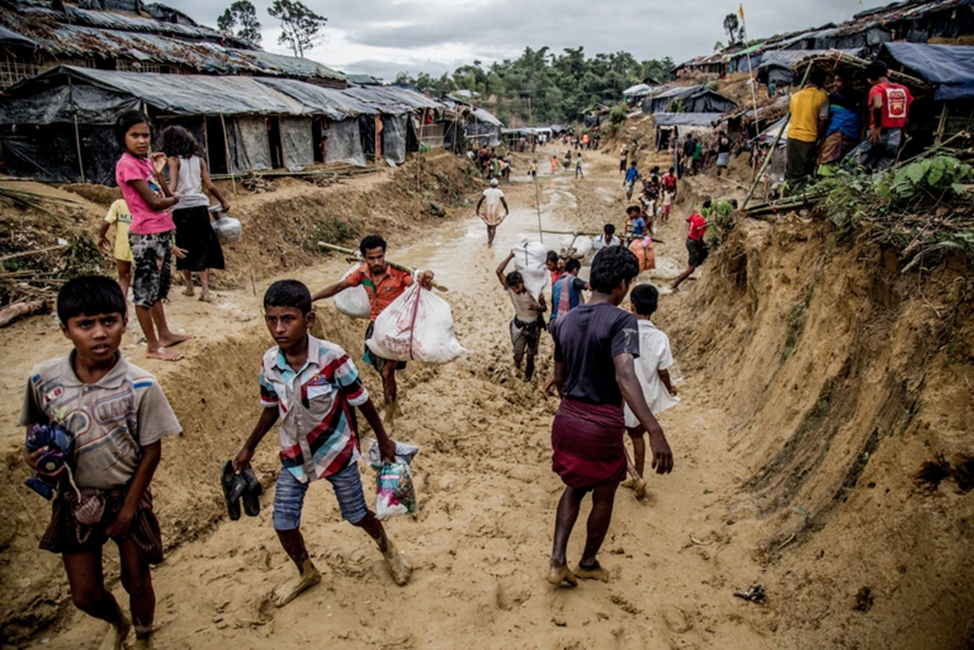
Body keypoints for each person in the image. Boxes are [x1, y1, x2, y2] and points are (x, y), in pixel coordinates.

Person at [21, 276, 181, 650]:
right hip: (75, 499)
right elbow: (34, 436)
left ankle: (143, 637)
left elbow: (150, 452)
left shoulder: (142, 385)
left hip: (127, 494)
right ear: (65, 330)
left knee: (137, 580)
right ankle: (117, 621)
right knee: (85, 595)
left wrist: (127, 511)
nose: (99, 334)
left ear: (125, 322)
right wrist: (36, 457)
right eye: (85, 324)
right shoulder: (42, 380)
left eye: (109, 321)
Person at [233, 280, 411, 608]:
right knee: (283, 523)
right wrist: (249, 447)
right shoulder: (269, 362)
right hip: (295, 456)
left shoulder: (332, 358)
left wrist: (384, 439)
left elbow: (362, 401)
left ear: (309, 319)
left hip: (336, 452)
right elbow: (271, 408)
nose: (279, 328)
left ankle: (388, 550)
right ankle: (306, 571)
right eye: (271, 320)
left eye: (288, 319)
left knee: (357, 514)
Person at [547, 246, 673, 587]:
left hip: (567, 419)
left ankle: (557, 560)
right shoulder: (622, 320)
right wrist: (654, 429)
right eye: (628, 282)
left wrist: (574, 406)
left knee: (573, 488)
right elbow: (625, 375)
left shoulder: (564, 322)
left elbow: (559, 379)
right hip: (601, 423)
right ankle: (587, 560)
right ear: (621, 283)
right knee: (604, 494)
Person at [311, 235, 434, 408]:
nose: (377, 262)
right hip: (376, 326)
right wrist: (312, 298)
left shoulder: (399, 273)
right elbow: (339, 287)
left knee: (386, 372)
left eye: (380, 257)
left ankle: (391, 410)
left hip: (396, 329)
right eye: (371, 258)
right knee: (381, 371)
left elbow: (419, 286)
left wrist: (427, 276)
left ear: (384, 254)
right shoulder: (361, 274)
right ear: (364, 257)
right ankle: (392, 401)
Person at [114, 109, 192, 361]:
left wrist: (158, 172)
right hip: (145, 234)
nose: (141, 141)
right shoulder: (127, 165)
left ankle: (165, 334)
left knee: (158, 289)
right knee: (144, 292)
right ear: (122, 137)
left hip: (159, 232)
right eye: (134, 135)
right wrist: (174, 198)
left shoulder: (145, 163)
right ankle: (152, 345)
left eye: (145, 135)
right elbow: (156, 202)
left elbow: (163, 192)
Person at [621, 284, 679, 498]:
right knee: (638, 438)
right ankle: (640, 474)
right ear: (654, 308)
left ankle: (634, 474)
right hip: (644, 400)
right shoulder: (660, 338)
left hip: (623, 397)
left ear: (631, 305)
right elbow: (663, 371)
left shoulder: (623, 333)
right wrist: (669, 387)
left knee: (616, 437)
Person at [161, 126, 230, 304]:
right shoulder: (199, 160)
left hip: (182, 208)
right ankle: (206, 291)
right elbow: (210, 186)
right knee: (203, 247)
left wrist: (162, 196)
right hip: (200, 207)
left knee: (184, 247)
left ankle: (190, 286)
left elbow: (174, 185)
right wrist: (223, 202)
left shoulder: (173, 160)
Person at [847, 60, 913, 171]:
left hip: (879, 135)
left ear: (870, 79)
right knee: (881, 172)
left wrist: (877, 125)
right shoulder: (904, 90)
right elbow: (906, 118)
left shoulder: (877, 89)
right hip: (895, 137)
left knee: (849, 165)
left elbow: (878, 105)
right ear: (887, 73)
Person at [496, 256, 547, 381]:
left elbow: (545, 307)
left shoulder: (535, 292)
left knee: (530, 358)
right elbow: (498, 271)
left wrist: (537, 308)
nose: (516, 291)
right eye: (513, 288)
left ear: (523, 282)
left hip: (534, 327)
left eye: (517, 287)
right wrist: (510, 255)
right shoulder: (511, 290)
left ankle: (527, 379)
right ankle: (518, 365)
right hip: (520, 326)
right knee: (517, 356)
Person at [785, 67, 829, 192]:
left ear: (808, 80)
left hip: (792, 136)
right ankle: (800, 195)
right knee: (805, 171)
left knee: (792, 169)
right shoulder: (822, 96)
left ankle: (788, 192)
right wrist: (819, 138)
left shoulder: (795, 96)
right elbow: (823, 121)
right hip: (808, 138)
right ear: (822, 82)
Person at [816, 71, 864, 171]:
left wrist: (862, 141)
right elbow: (825, 121)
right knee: (827, 163)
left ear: (848, 82)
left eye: (839, 81)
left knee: (847, 165)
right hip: (833, 136)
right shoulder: (832, 98)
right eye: (834, 80)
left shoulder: (859, 99)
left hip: (852, 138)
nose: (835, 84)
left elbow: (864, 121)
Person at [97, 199, 134, 299]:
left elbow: (106, 222)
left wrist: (101, 236)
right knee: (143, 278)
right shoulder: (143, 202)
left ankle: (123, 309)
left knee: (123, 277)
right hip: (141, 246)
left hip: (122, 247)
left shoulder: (118, 204)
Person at [671, 204, 709, 291]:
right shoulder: (703, 222)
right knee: (691, 268)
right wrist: (699, 249)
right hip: (694, 242)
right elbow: (700, 239)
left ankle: (695, 265)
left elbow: (688, 219)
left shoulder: (695, 215)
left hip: (689, 239)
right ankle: (675, 284)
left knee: (706, 250)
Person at [474, 178, 510, 246]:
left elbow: (480, 200)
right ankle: (490, 242)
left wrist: (477, 209)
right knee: (493, 227)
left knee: (488, 225)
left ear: (490, 184)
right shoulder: (499, 192)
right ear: (497, 185)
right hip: (495, 208)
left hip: (488, 208)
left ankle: (489, 239)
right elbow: (504, 202)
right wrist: (506, 210)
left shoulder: (486, 191)